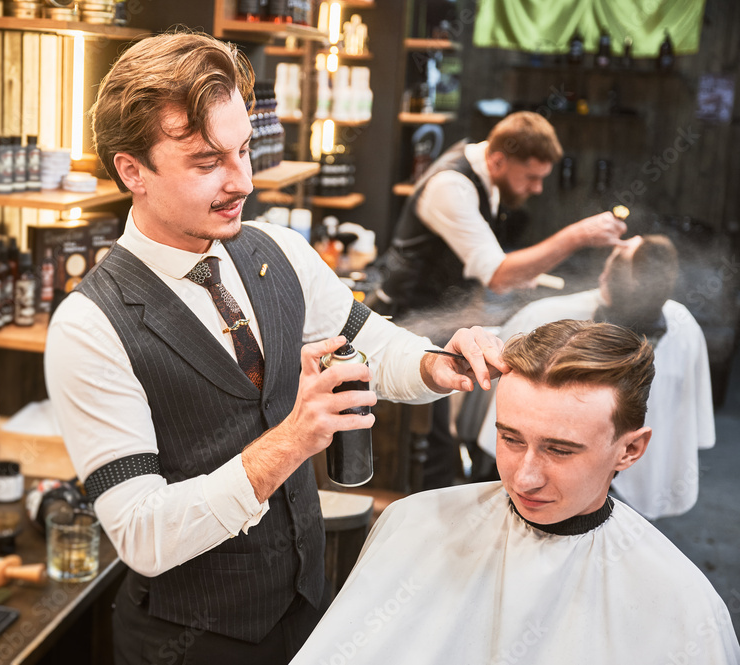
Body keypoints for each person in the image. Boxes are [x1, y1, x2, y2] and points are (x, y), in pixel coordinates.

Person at [43, 31, 507, 664]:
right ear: (133, 171)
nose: (243, 181)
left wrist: (436, 364)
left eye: (244, 150)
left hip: (307, 609)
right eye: (208, 162)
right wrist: (292, 439)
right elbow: (141, 534)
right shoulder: (90, 327)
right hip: (189, 645)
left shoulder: (277, 253)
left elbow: (371, 343)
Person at [291, 320, 740, 665]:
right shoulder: (414, 525)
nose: (524, 478)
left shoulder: (680, 605)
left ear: (631, 450)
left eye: (559, 450)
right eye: (511, 439)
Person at [367, 111, 628, 489]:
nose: (537, 189)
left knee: (437, 442)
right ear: (498, 160)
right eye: (532, 178)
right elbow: (499, 275)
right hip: (405, 325)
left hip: (437, 322)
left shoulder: (481, 176)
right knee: (432, 446)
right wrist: (577, 236)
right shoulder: (450, 186)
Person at [471, 235, 716, 519]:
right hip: (592, 487)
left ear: (606, 280)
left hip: (633, 494)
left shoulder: (543, 315)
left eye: (561, 449)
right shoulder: (684, 324)